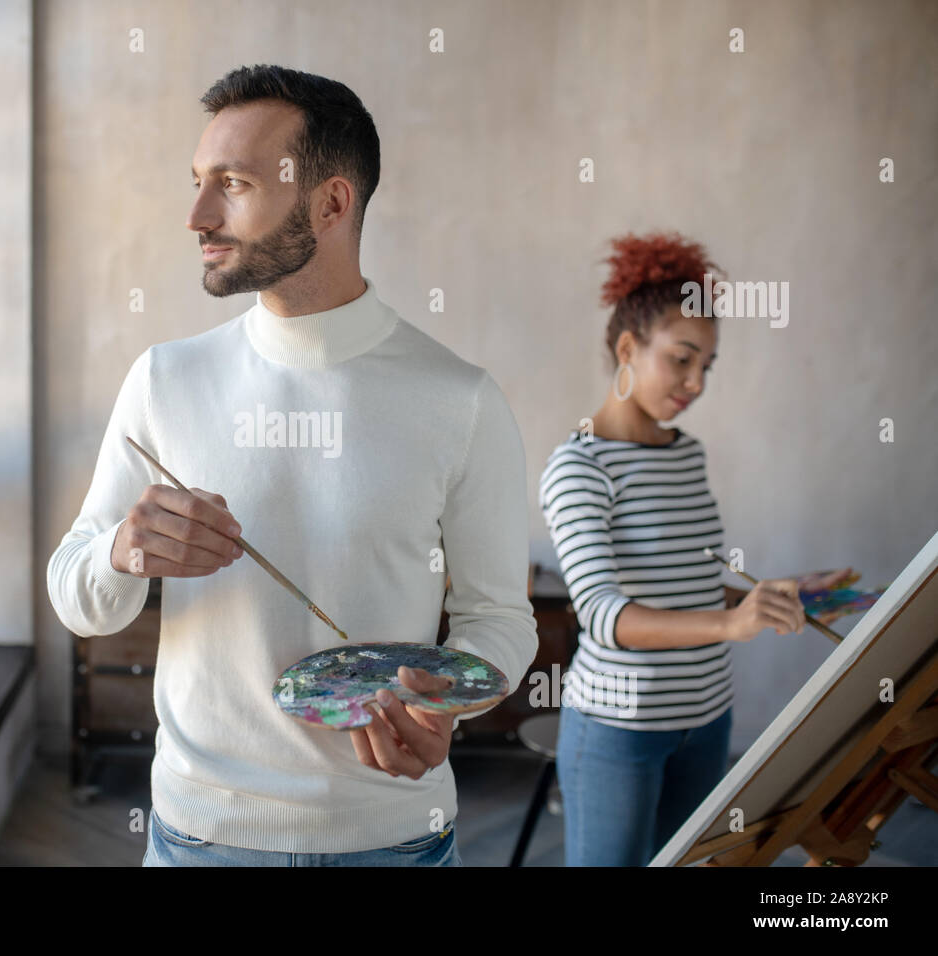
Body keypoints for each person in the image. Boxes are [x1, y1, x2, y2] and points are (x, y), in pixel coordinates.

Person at [47, 64, 538, 866]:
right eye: (199, 182)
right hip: (198, 839)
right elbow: (78, 597)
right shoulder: (166, 380)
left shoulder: (461, 401)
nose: (196, 215)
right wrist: (120, 552)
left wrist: (449, 703)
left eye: (232, 184)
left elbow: (499, 619)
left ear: (331, 203)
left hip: (394, 840)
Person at [538, 231, 812, 866]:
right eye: (683, 358)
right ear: (629, 348)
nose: (696, 382)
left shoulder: (687, 453)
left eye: (707, 366)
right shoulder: (579, 467)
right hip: (617, 731)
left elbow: (691, 581)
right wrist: (732, 623)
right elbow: (604, 616)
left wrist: (769, 596)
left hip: (708, 719)